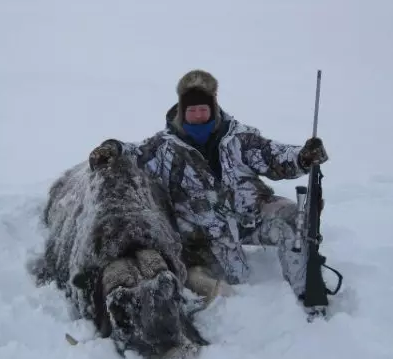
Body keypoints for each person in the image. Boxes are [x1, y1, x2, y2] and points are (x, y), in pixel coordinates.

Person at [89, 69, 328, 304]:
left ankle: (306, 292)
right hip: (205, 233)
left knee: (295, 219)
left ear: (214, 106)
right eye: (192, 110)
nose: (199, 115)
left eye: (203, 109)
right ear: (182, 110)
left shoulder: (240, 137)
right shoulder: (163, 148)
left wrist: (303, 156)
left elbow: (275, 156)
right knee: (236, 283)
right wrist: (113, 148)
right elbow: (135, 154)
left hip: (250, 216)